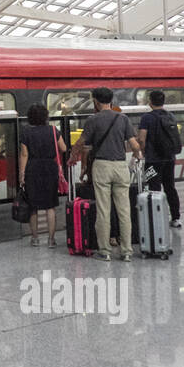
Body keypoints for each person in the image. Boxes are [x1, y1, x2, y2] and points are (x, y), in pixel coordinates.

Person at [68, 87, 142, 262]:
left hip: (101, 166)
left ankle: (105, 251)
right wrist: (137, 155)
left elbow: (81, 143)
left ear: (95, 101)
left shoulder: (93, 120)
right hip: (120, 166)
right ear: (111, 100)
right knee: (124, 211)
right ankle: (126, 251)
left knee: (103, 210)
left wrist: (72, 157)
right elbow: (135, 145)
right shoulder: (123, 119)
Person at [19, 103, 67, 247]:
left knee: (33, 206)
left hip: (32, 169)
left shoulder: (26, 132)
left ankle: (35, 238)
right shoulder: (53, 130)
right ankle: (51, 240)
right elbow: (63, 148)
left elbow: (24, 154)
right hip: (50, 168)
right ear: (45, 116)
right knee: (50, 206)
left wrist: (22, 174)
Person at [137, 90, 181, 228]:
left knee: (154, 188)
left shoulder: (147, 118)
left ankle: (157, 218)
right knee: (170, 188)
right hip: (169, 158)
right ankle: (176, 218)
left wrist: (142, 152)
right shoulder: (171, 116)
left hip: (153, 160)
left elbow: (141, 138)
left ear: (150, 102)